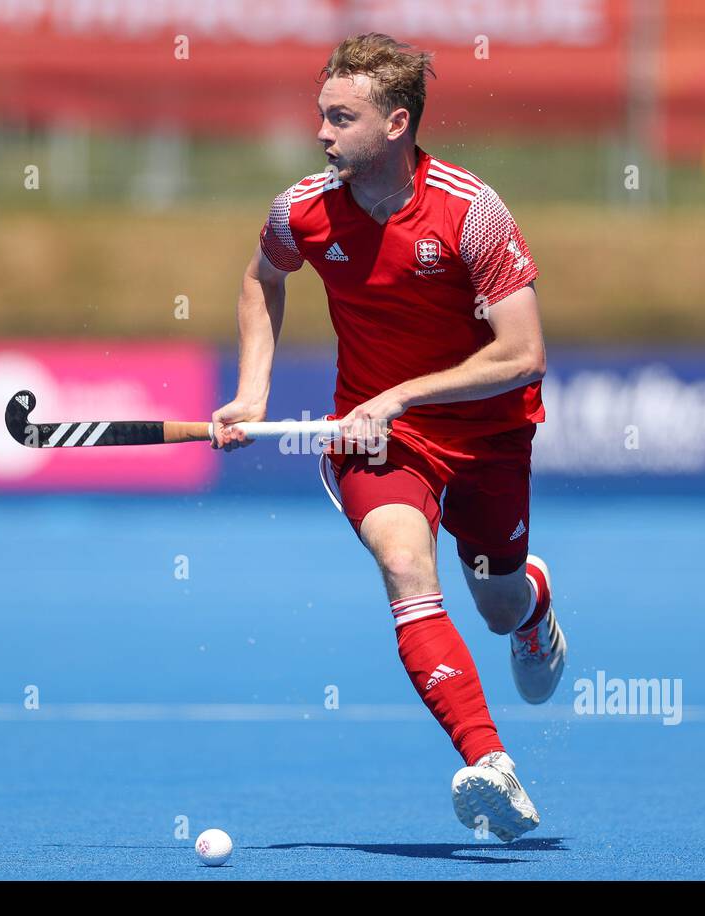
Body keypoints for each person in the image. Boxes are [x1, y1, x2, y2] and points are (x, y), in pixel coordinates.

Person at [211, 33, 567, 842]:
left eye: (342, 118)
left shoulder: (470, 211)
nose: (323, 133)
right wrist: (251, 391)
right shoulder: (300, 209)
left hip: (486, 436)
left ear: (397, 122)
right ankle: (490, 762)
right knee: (406, 565)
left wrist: (400, 395)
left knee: (498, 597)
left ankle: (533, 601)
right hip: (373, 440)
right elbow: (262, 280)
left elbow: (523, 353)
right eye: (321, 115)